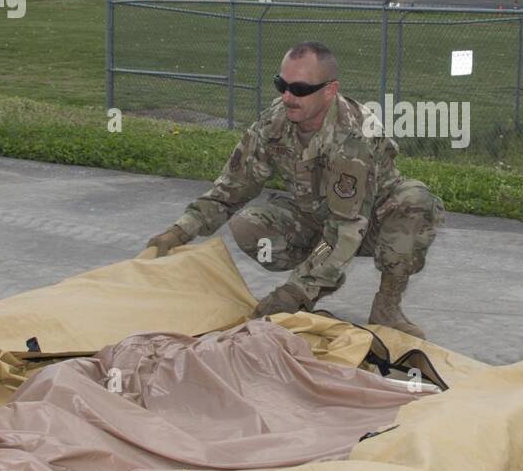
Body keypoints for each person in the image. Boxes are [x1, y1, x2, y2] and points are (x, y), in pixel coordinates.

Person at [142, 41, 444, 337]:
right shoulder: (276, 121)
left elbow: (345, 229)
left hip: (370, 223)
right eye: (281, 84)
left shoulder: (353, 138)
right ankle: (313, 278)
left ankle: (386, 309)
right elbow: (233, 186)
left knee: (415, 201)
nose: (287, 97)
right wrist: (179, 231)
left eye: (299, 89)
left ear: (329, 90)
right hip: (315, 215)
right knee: (248, 226)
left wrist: (293, 294)